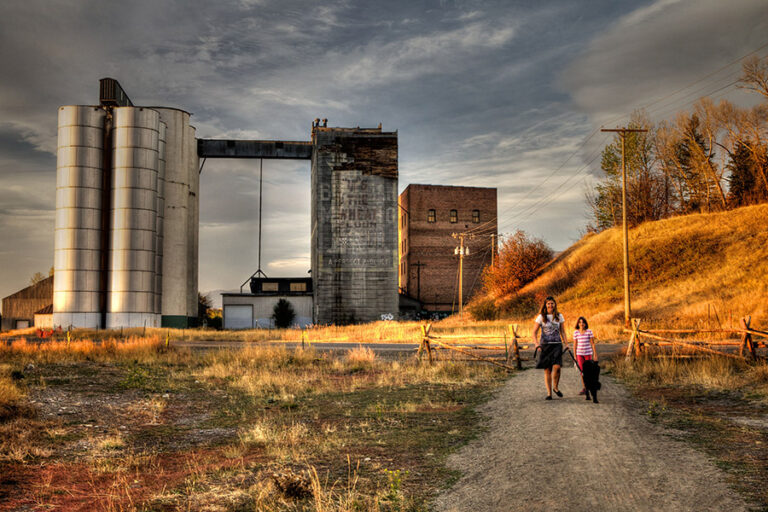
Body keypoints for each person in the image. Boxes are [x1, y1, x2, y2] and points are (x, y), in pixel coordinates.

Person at [533, 296, 569, 400]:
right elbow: (534, 332)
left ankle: (555, 387)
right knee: (547, 370)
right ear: (545, 305)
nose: (550, 305)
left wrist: (566, 344)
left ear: (555, 304)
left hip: (557, 344)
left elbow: (563, 331)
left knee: (557, 367)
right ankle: (549, 393)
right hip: (545, 345)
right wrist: (536, 344)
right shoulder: (541, 317)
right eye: (548, 303)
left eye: (552, 303)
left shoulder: (559, 316)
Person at [573, 316, 598, 396]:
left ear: (585, 323)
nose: (581, 324)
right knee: (582, 372)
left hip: (588, 354)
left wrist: (595, 354)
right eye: (580, 322)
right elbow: (574, 345)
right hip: (579, 354)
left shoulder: (589, 332)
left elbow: (592, 344)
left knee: (589, 372)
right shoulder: (576, 332)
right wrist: (575, 356)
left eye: (583, 322)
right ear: (578, 323)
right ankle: (585, 388)